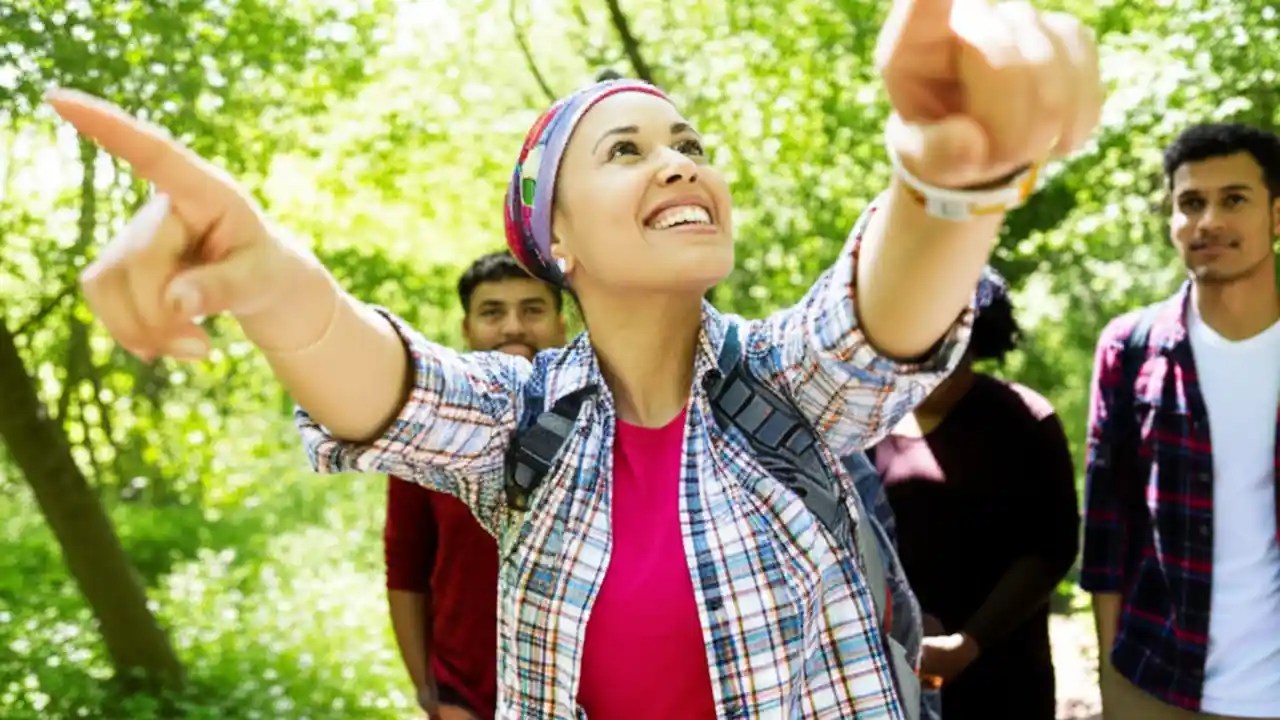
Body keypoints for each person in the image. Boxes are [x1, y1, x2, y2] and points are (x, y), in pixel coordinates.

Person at [51, 2, 1103, 716]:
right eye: (626, 149)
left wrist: (947, 178)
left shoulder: (780, 385)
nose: (680, 162)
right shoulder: (524, 423)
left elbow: (875, 324)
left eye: (688, 142)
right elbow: (391, 387)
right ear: (555, 243)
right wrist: (271, 282)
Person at [1081, 123, 1280, 719]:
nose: (1209, 221)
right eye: (1190, 203)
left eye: (1234, 199)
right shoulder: (1131, 347)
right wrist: (1111, 679)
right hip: (1160, 680)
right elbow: (1107, 527)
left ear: (1276, 214)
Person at [866, 269, 1080, 719]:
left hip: (1001, 678)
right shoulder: (865, 425)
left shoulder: (1024, 420)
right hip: (888, 678)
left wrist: (968, 643)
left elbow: (1050, 549)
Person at [384, 251, 565, 719]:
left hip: (581, 691)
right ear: (466, 329)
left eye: (532, 309)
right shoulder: (425, 430)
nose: (513, 327)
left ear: (562, 324)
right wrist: (428, 688)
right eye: (492, 312)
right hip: (465, 691)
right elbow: (406, 568)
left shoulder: (605, 418)